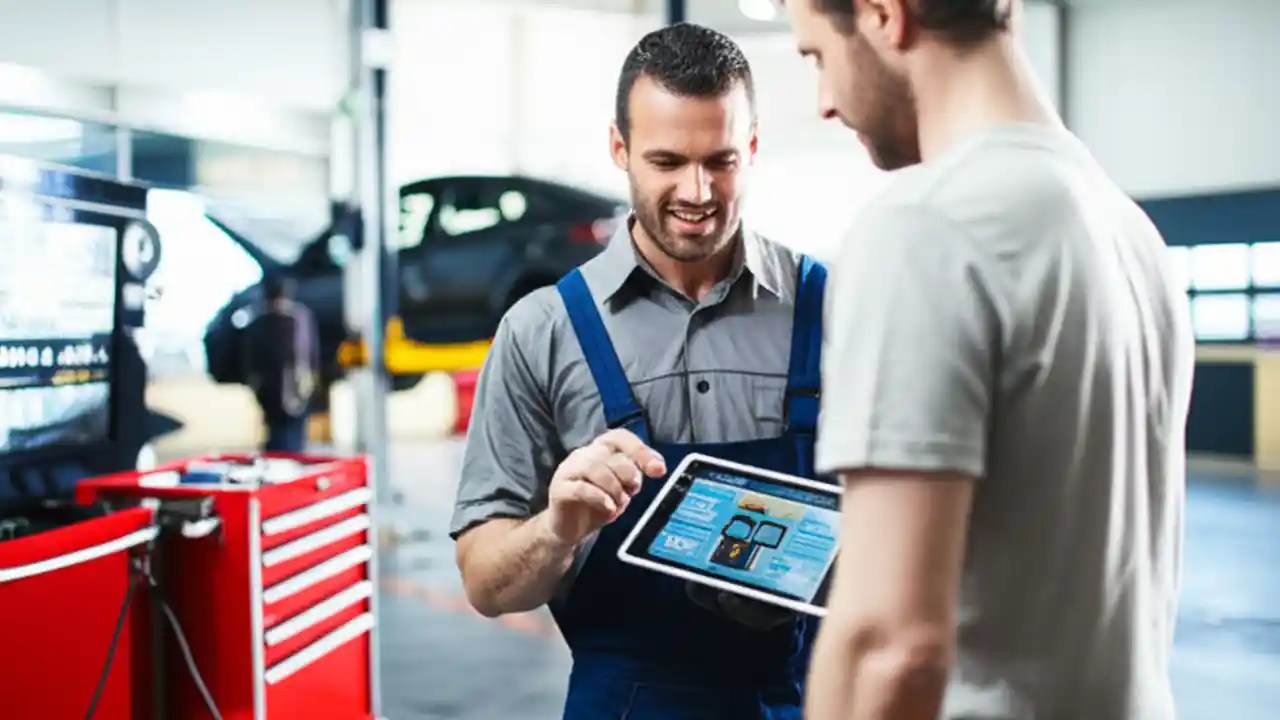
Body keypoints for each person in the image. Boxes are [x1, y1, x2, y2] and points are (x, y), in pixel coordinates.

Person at [779, 1, 1195, 718]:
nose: (825, 102)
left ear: (884, 14)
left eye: (818, 57)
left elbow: (891, 650)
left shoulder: (928, 227)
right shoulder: (1129, 232)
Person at [450, 22, 832, 720]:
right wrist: (558, 527)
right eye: (667, 161)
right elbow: (485, 583)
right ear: (619, 150)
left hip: (811, 699)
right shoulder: (542, 332)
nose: (697, 191)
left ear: (751, 146)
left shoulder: (836, 311)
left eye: (720, 160)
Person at [243, 273, 320, 452]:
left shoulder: (299, 317)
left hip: (294, 386)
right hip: (273, 390)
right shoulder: (263, 321)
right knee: (279, 432)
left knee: (293, 431)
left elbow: (310, 350)